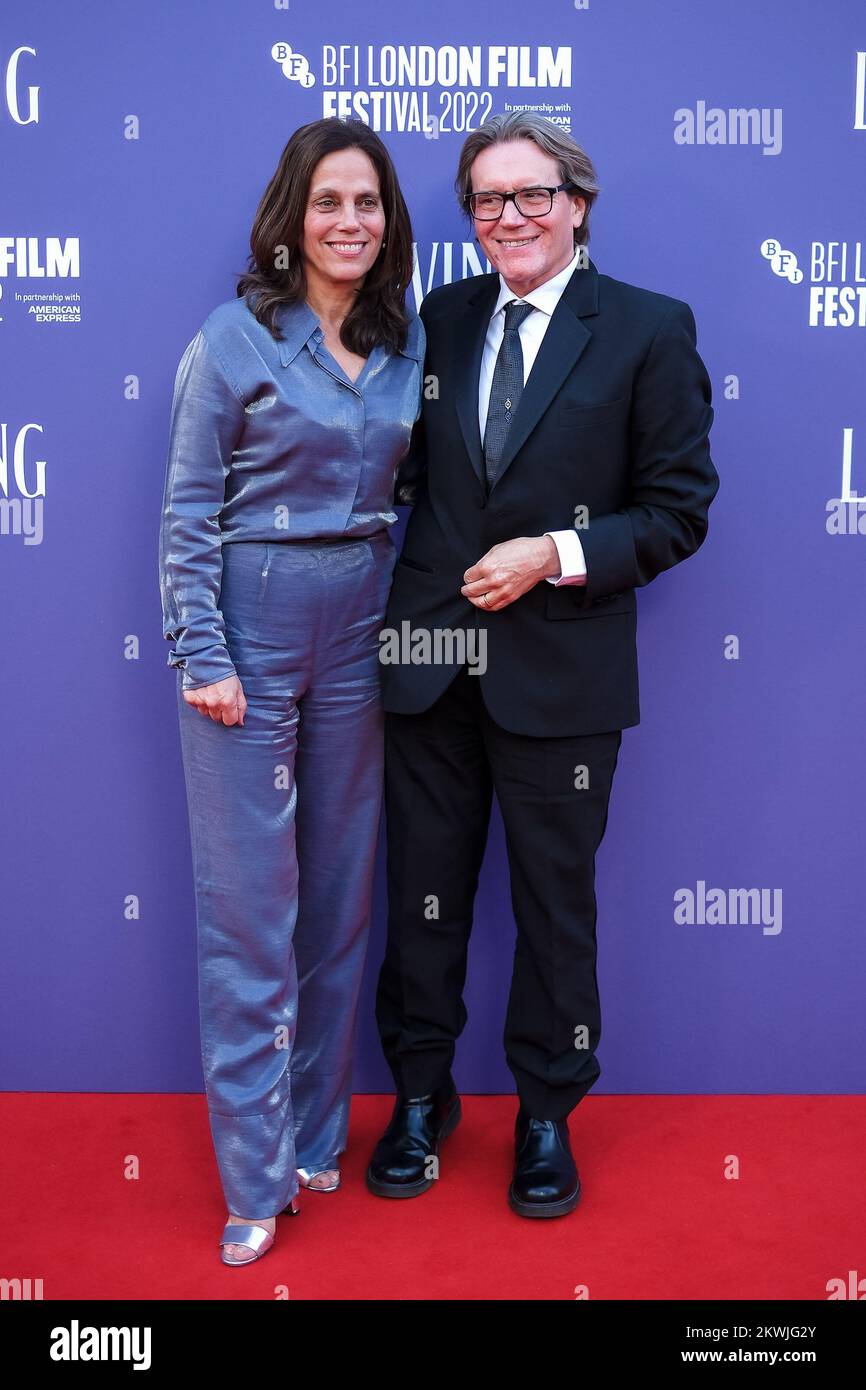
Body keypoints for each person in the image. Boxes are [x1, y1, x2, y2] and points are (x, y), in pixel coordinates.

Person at [367, 111, 719, 1218]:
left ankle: (545, 1115)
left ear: (576, 203)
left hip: (561, 678)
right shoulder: (442, 314)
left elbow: (676, 512)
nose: (506, 217)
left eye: (529, 195)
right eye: (485, 200)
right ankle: (418, 1100)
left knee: (553, 909)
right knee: (420, 901)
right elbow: (411, 473)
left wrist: (552, 554)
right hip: (428, 663)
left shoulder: (649, 330)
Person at [158, 117, 423, 1263]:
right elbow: (185, 511)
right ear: (290, 218)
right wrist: (202, 651)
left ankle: (317, 1135)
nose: (348, 222)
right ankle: (255, 1178)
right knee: (248, 918)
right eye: (328, 203)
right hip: (251, 631)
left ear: (388, 220)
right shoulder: (231, 339)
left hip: (359, 625)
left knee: (338, 903)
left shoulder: (402, 340)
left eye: (366, 203)